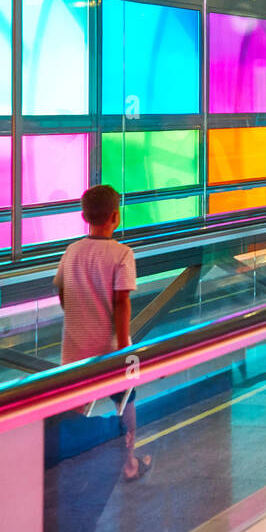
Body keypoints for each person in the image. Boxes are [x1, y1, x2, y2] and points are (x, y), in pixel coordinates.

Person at [55, 184, 151, 482]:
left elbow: (60, 288)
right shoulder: (122, 254)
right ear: (115, 216)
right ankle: (128, 463)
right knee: (126, 402)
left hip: (74, 349)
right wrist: (124, 347)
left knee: (76, 407)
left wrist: (76, 314)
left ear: (84, 216)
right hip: (111, 349)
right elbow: (122, 300)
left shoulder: (72, 251)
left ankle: (71, 466)